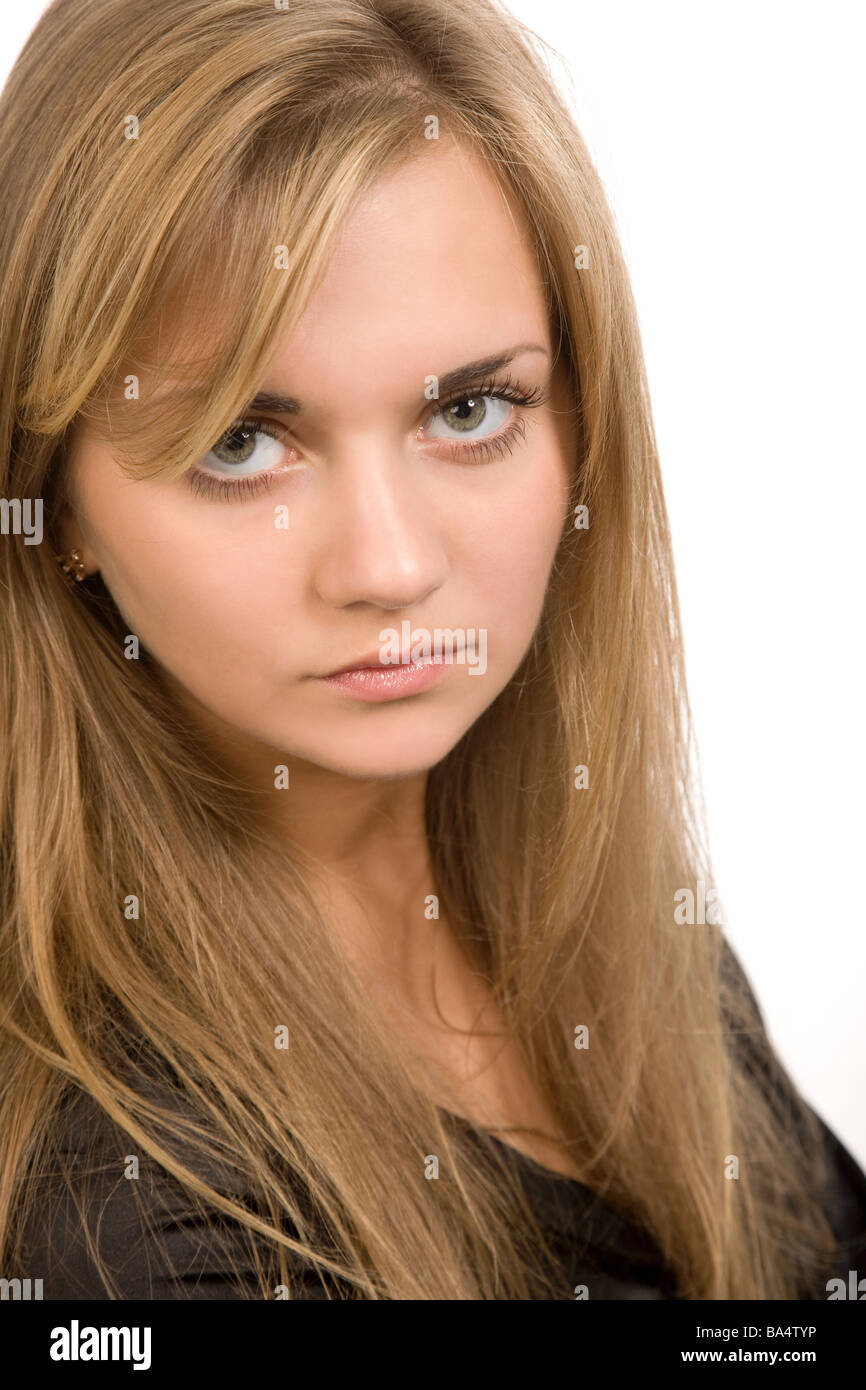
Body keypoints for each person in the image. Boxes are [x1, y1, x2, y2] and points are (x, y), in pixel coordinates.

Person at [0, 0, 862, 1301]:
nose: (392, 565)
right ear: (53, 498)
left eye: (469, 409)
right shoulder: (129, 1234)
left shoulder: (606, 928)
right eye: (240, 441)